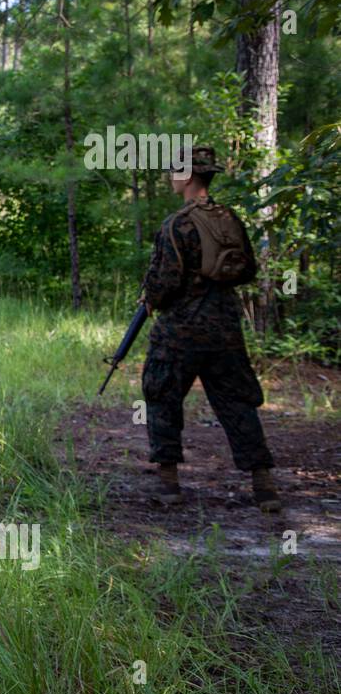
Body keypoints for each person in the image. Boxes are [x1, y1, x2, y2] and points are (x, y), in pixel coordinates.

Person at [141, 145, 279, 512]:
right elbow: (247, 269)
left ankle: (169, 483)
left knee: (161, 395)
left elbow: (163, 284)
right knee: (237, 403)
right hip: (225, 330)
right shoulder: (229, 218)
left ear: (187, 176)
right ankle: (264, 485)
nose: (171, 178)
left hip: (180, 331)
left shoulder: (177, 224)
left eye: (174, 172)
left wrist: (150, 296)